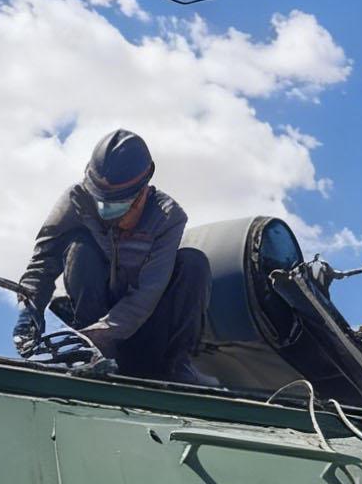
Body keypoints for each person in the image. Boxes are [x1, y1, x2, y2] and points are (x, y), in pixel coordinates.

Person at [13, 129, 214, 385]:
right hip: (91, 325)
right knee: (80, 247)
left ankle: (173, 366)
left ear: (142, 193)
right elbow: (43, 261)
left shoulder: (169, 218)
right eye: (101, 202)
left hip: (144, 333)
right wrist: (28, 307)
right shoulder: (76, 200)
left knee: (193, 263)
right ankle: (90, 358)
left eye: (116, 204)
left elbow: (146, 295)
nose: (105, 212)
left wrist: (102, 334)